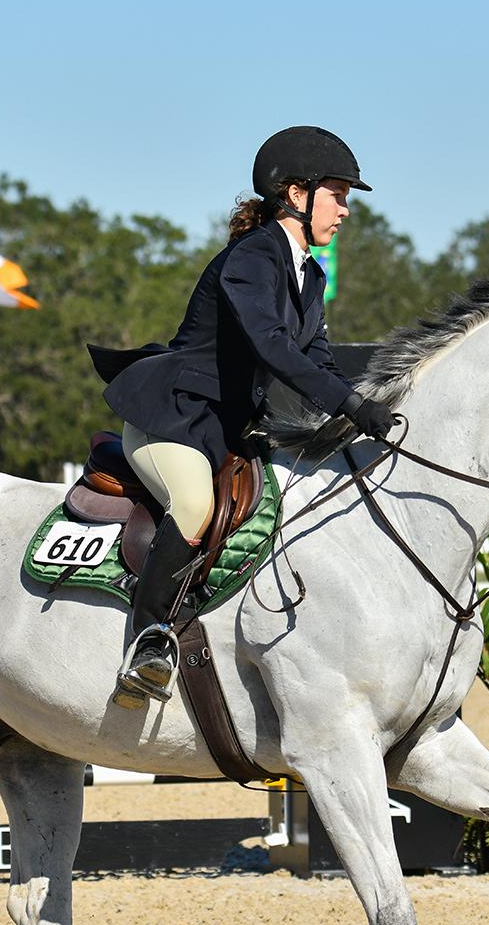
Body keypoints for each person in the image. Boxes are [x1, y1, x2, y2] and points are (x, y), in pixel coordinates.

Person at [98, 126, 398, 700]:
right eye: (338, 194)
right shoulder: (252, 257)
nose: (346, 211)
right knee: (193, 504)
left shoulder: (310, 275)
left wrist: (367, 409)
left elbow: (317, 362)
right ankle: (147, 642)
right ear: (295, 194)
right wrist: (350, 403)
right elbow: (273, 347)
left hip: (231, 427)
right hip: (176, 417)